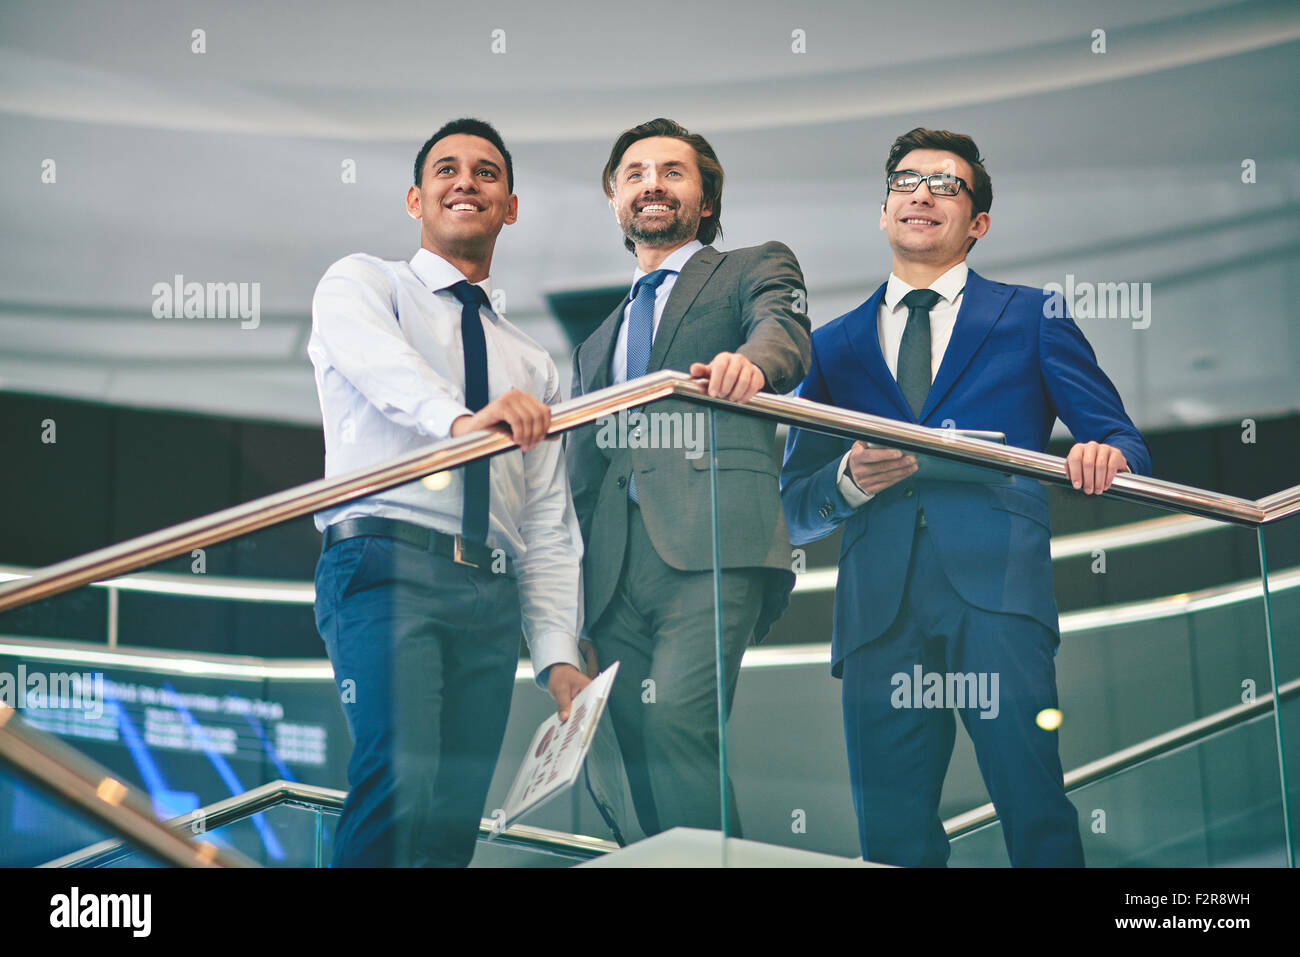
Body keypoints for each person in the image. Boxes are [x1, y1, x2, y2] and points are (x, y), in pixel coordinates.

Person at [781, 128, 1151, 868]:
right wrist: (849, 480)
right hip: (876, 614)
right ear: (883, 210)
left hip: (999, 592)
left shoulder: (1031, 314)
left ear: (977, 223)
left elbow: (1125, 444)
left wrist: (1103, 453)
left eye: (946, 185)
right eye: (905, 181)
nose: (922, 193)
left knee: (1033, 804)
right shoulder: (831, 343)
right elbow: (793, 503)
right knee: (890, 835)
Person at [308, 117, 589, 867]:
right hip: (384, 564)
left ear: (511, 206)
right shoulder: (364, 282)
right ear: (415, 198)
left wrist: (557, 650)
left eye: (487, 172)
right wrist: (462, 420)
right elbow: (380, 367)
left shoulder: (531, 359)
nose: (466, 181)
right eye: (447, 169)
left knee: (450, 823)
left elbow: (547, 521)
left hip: (489, 595)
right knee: (401, 776)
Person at [566, 118, 810, 837]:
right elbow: (581, 477)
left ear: (705, 201)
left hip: (709, 543)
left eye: (672, 172)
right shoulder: (595, 341)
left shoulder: (751, 266)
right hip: (611, 576)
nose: (652, 184)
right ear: (615, 199)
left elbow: (784, 328)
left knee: (680, 720)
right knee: (636, 749)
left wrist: (754, 363)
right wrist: (571, 609)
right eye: (634, 173)